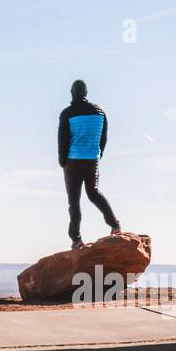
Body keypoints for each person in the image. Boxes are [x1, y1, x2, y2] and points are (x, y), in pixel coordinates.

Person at [57, 79, 121, 249]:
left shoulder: (67, 113)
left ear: (72, 93)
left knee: (74, 201)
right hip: (92, 160)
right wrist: (98, 154)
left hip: (73, 161)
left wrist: (62, 162)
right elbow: (103, 138)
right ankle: (115, 225)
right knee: (94, 193)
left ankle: (76, 240)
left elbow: (62, 140)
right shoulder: (100, 112)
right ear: (86, 93)